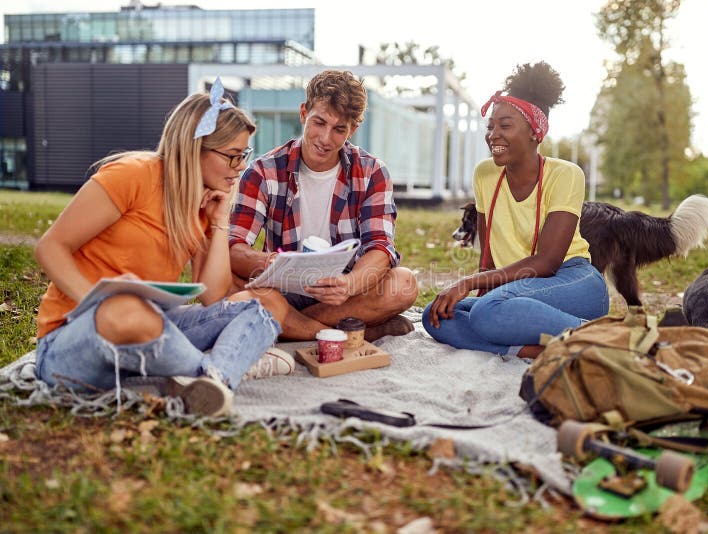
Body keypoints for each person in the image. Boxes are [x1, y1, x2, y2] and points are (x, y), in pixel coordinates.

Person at [34, 78, 289, 417]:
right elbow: (50, 247)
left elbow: (214, 295)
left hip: (150, 327)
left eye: (244, 155)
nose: (240, 167)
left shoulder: (202, 204)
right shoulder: (131, 175)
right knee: (126, 309)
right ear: (193, 148)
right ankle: (220, 368)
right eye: (232, 156)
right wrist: (96, 301)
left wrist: (219, 222)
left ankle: (212, 380)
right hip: (71, 341)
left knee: (263, 306)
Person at [422, 62, 609, 359]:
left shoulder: (565, 174)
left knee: (487, 312)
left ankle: (604, 338)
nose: (493, 135)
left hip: (573, 282)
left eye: (505, 125)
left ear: (535, 132)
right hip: (515, 289)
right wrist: (484, 288)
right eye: (491, 126)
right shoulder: (485, 174)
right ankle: (534, 349)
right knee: (436, 315)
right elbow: (488, 258)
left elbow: (548, 262)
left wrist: (469, 284)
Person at [229, 69, 418, 341]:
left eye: (339, 129)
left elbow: (380, 248)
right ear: (304, 114)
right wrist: (274, 262)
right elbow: (234, 248)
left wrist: (350, 284)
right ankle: (351, 332)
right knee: (219, 279)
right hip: (280, 290)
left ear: (352, 129)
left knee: (404, 284)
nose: (326, 139)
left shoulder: (372, 172)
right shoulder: (263, 171)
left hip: (342, 295)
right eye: (319, 123)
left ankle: (288, 328)